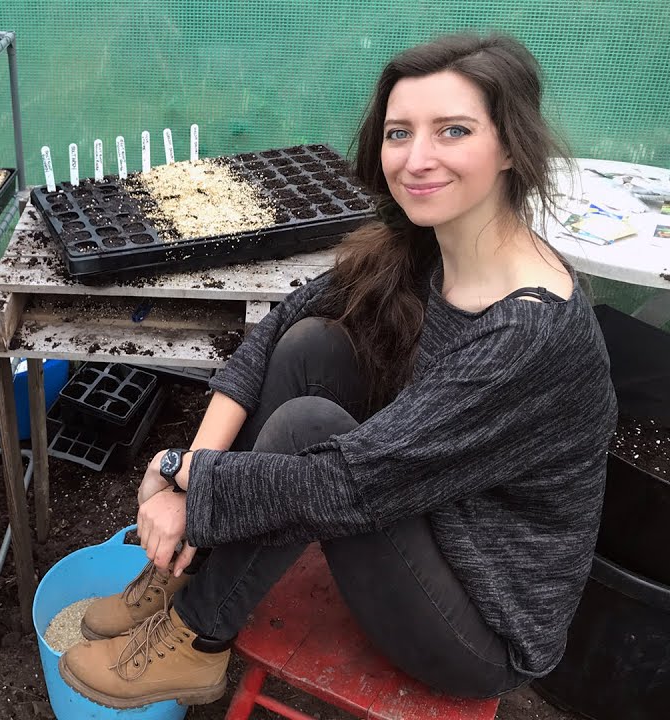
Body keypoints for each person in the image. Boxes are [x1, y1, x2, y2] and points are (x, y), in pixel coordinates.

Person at [60, 33, 618, 710]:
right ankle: (186, 565)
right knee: (314, 347)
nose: (417, 159)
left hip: (479, 623)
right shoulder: (431, 246)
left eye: (453, 131)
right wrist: (193, 481)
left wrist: (183, 475)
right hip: (420, 507)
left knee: (309, 428)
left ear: (509, 146)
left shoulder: (528, 336)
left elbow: (347, 483)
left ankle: (197, 638)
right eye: (398, 132)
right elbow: (279, 326)